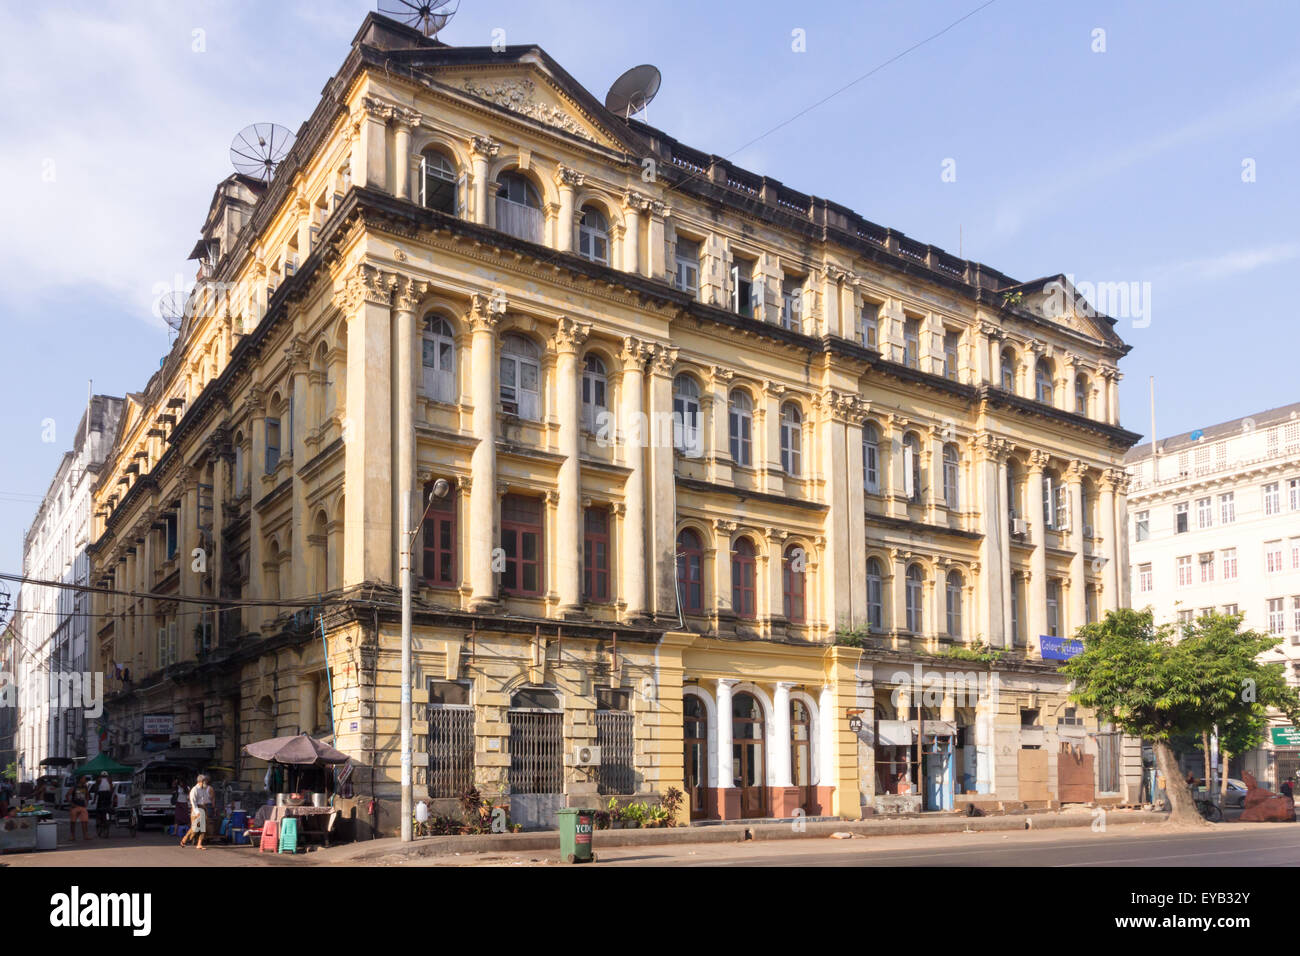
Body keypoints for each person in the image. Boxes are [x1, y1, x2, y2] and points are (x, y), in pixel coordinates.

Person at [181, 774, 213, 849]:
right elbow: (193, 802)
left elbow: (206, 798)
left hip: (203, 808)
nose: (206, 783)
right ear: (200, 781)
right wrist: (197, 812)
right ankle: (184, 839)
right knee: (195, 827)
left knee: (203, 827)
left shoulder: (203, 789)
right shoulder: (194, 789)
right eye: (204, 781)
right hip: (196, 808)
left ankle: (199, 844)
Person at [68, 776, 91, 840]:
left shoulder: (85, 787)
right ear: (80, 779)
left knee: (85, 821)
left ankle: (85, 835)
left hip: (82, 806)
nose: (85, 780)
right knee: (73, 822)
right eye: (84, 779)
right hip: (75, 807)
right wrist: (71, 803)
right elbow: (67, 795)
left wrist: (87, 801)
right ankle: (72, 836)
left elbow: (87, 795)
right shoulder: (74, 787)